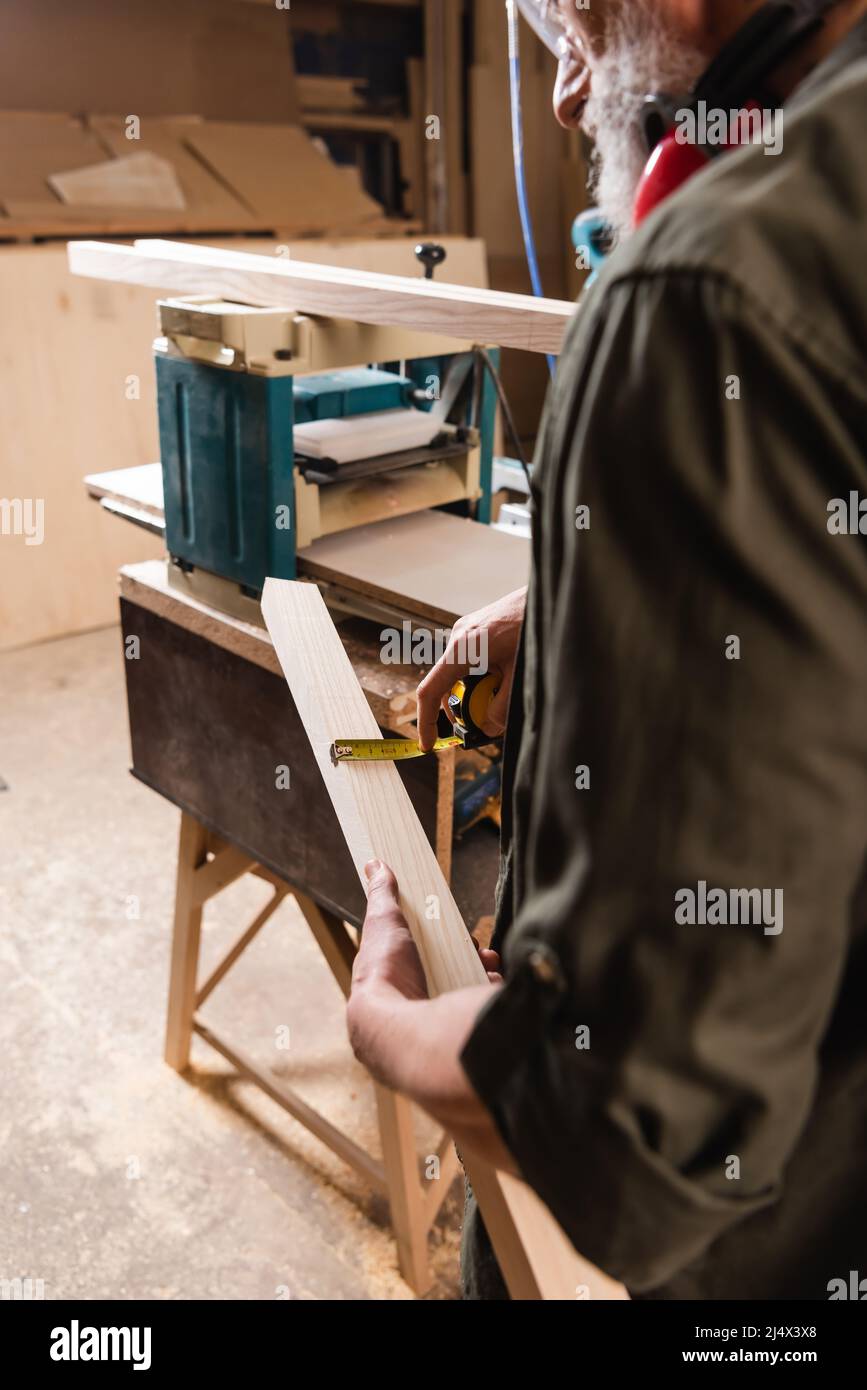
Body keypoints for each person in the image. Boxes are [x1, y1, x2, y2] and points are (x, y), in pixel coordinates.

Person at [347, 0, 867, 1299]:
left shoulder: (712, 289)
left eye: (563, 28)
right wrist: (592, 599)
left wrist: (396, 1033)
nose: (569, 99)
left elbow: (636, 1138)